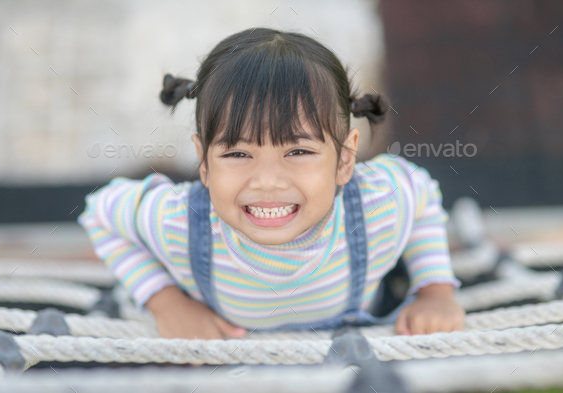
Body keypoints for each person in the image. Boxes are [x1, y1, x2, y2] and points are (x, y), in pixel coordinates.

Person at [78, 27, 465, 340]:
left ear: (345, 160)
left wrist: (435, 291)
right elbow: (100, 214)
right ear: (204, 162)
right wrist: (166, 303)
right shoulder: (180, 221)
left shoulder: (378, 202)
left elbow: (423, 193)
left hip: (358, 346)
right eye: (237, 154)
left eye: (297, 152)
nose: (266, 181)